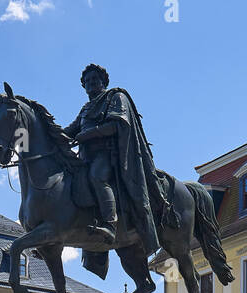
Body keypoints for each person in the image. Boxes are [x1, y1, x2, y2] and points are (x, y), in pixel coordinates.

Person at [61, 63, 179, 250]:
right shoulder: (86, 108)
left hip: (110, 156)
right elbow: (71, 130)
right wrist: (49, 136)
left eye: (94, 79)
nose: (90, 83)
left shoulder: (115, 97)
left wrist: (88, 134)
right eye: (87, 81)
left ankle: (110, 224)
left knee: (97, 177)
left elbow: (118, 126)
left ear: (103, 82)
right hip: (85, 157)